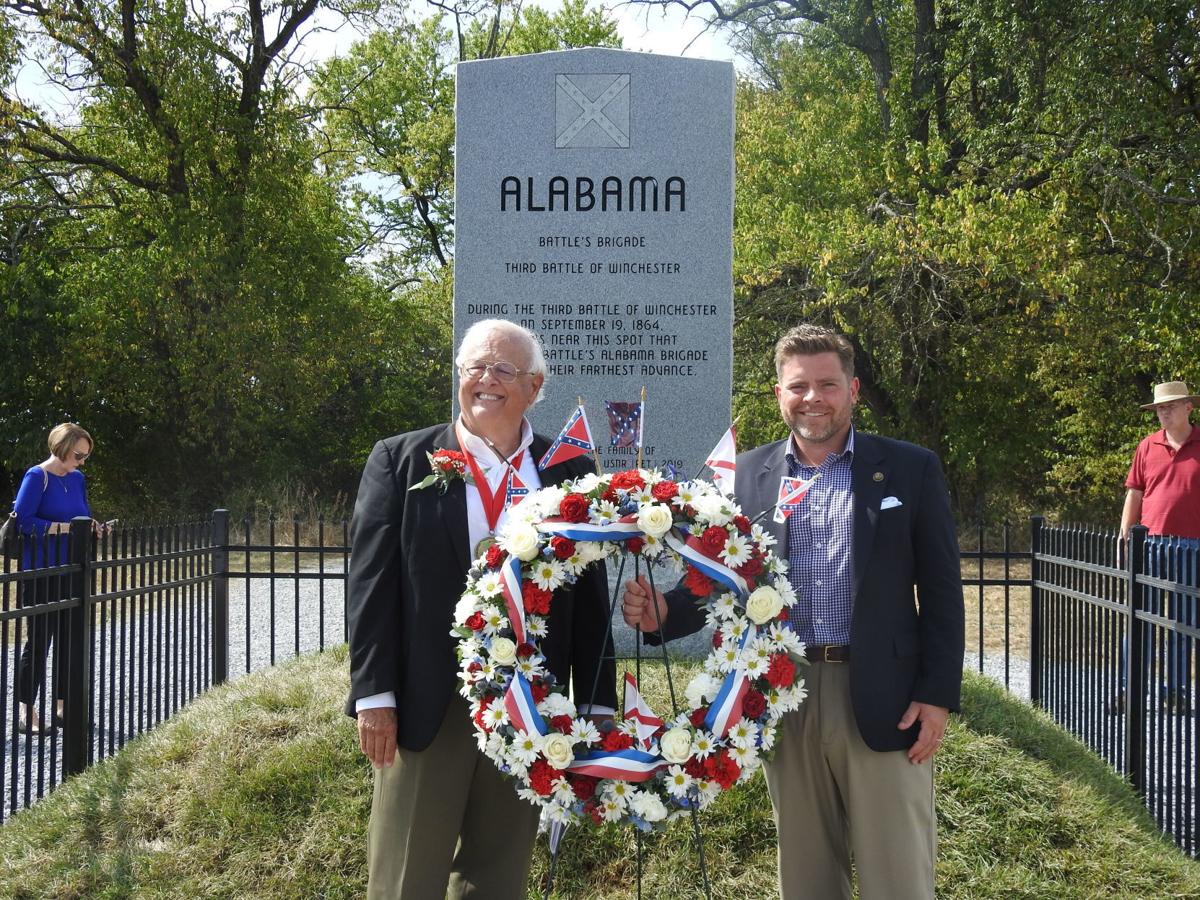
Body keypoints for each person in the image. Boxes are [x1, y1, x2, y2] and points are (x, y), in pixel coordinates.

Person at [622, 324, 964, 900]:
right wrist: (663, 614)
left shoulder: (910, 468)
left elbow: (941, 590)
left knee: (899, 876)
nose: (814, 398)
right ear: (779, 393)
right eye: (798, 385)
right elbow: (715, 579)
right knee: (806, 876)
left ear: (853, 389)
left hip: (883, 694)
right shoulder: (747, 478)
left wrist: (936, 694)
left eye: (827, 384)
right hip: (784, 692)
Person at [346, 319, 617, 899]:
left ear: (535, 386)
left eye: (504, 370)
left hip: (530, 706)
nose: (485, 380)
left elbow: (590, 598)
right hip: (427, 705)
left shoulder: (569, 470)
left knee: (497, 874)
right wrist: (374, 697)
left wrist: (597, 703)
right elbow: (370, 586)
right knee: (405, 873)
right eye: (475, 367)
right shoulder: (401, 461)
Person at [10, 422, 102, 734]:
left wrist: (94, 527)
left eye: (85, 456)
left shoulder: (77, 479)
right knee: (38, 643)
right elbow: (23, 522)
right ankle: (27, 712)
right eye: (78, 455)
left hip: (73, 569)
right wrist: (66, 528)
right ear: (62, 448)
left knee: (69, 641)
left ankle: (63, 708)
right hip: (42, 571)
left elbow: (82, 515)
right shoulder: (37, 476)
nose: (81, 461)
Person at [1118, 380, 1200, 714]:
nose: (1163, 413)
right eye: (1159, 409)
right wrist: (1124, 536)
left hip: (1192, 546)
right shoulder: (1147, 446)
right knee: (1138, 618)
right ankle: (1130, 689)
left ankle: (1176, 692)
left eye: (1169, 406)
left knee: (1182, 623)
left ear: (1188, 408)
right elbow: (1134, 493)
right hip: (1149, 543)